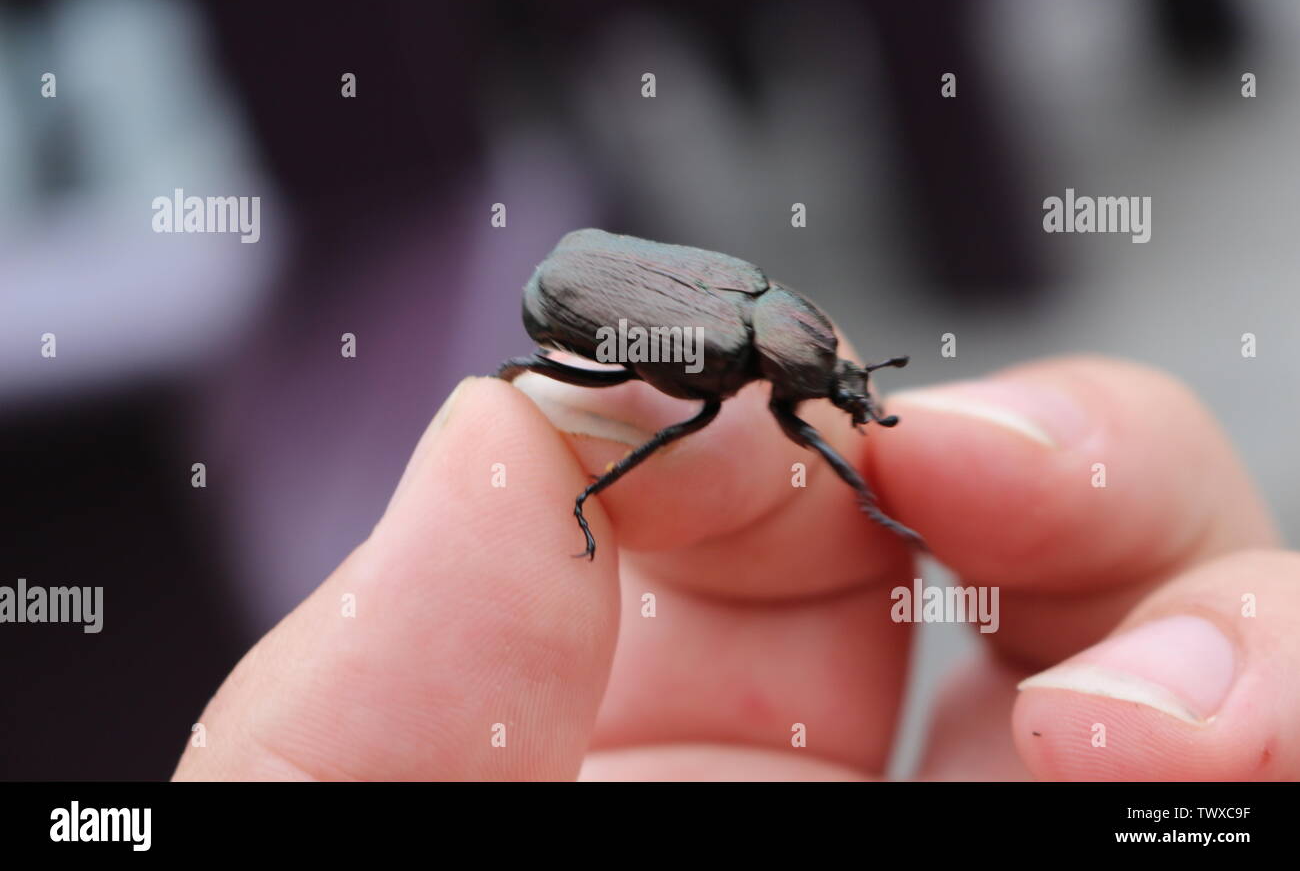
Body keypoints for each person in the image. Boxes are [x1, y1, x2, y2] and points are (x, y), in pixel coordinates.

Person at [172, 354, 1292, 781]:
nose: (850, 407)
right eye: (843, 392)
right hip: (604, 325)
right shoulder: (743, 384)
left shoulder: (763, 386)